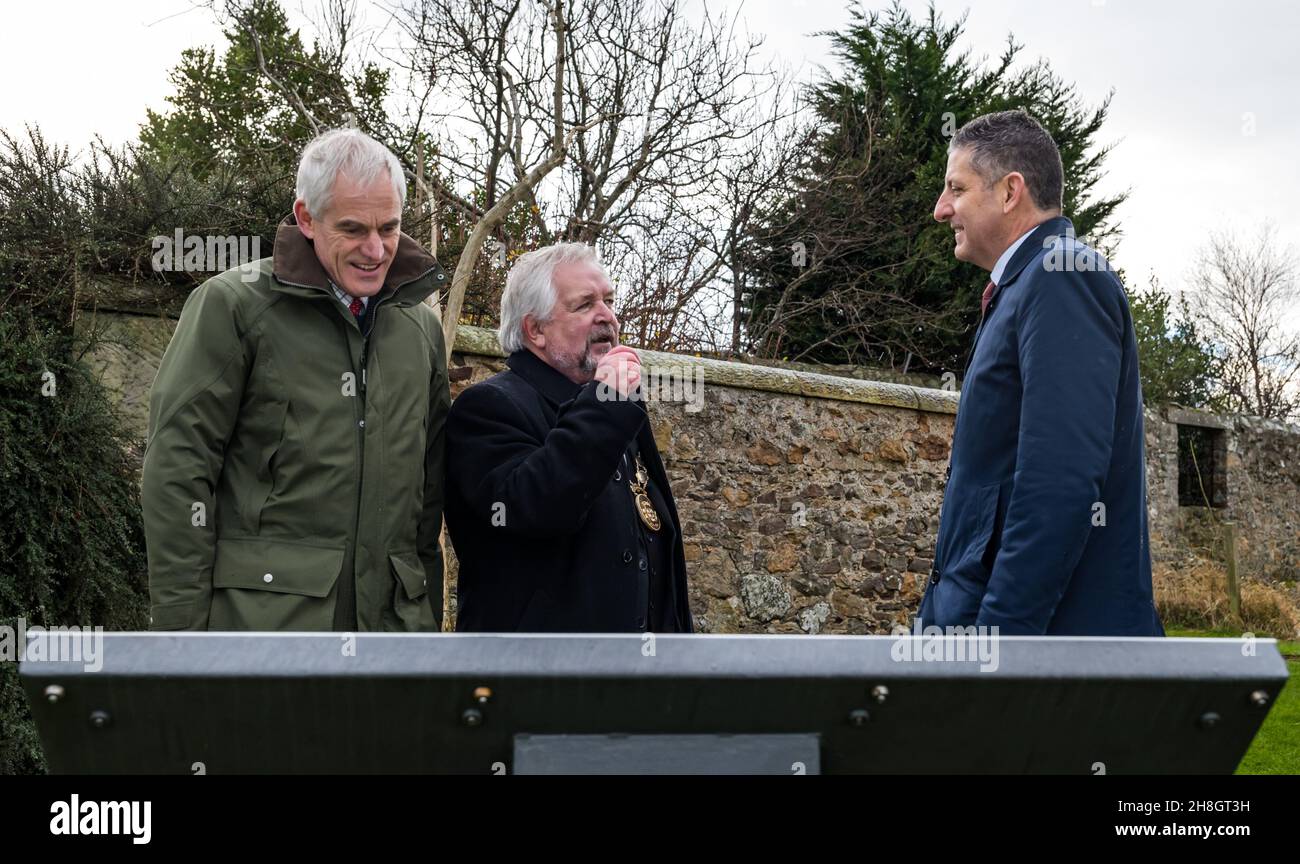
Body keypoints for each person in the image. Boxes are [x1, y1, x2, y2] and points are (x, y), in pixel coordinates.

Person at [142, 128, 451, 631]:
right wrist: (182, 640)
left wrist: (424, 631)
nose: (375, 250)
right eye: (352, 229)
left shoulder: (420, 328)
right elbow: (178, 474)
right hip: (265, 637)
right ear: (307, 217)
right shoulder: (234, 306)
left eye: (389, 228)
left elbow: (428, 496)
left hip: (391, 642)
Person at [919, 109, 1163, 636]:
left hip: (1045, 665)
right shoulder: (1026, 286)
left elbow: (1061, 484)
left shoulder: (1061, 277)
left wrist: (1001, 645)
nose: (941, 210)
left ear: (1010, 192)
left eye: (955, 189)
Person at [446, 243, 692, 633]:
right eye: (584, 305)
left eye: (609, 301)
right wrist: (604, 407)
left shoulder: (611, 408)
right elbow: (534, 511)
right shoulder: (488, 408)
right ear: (536, 330)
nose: (607, 317)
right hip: (539, 682)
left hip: (643, 681)